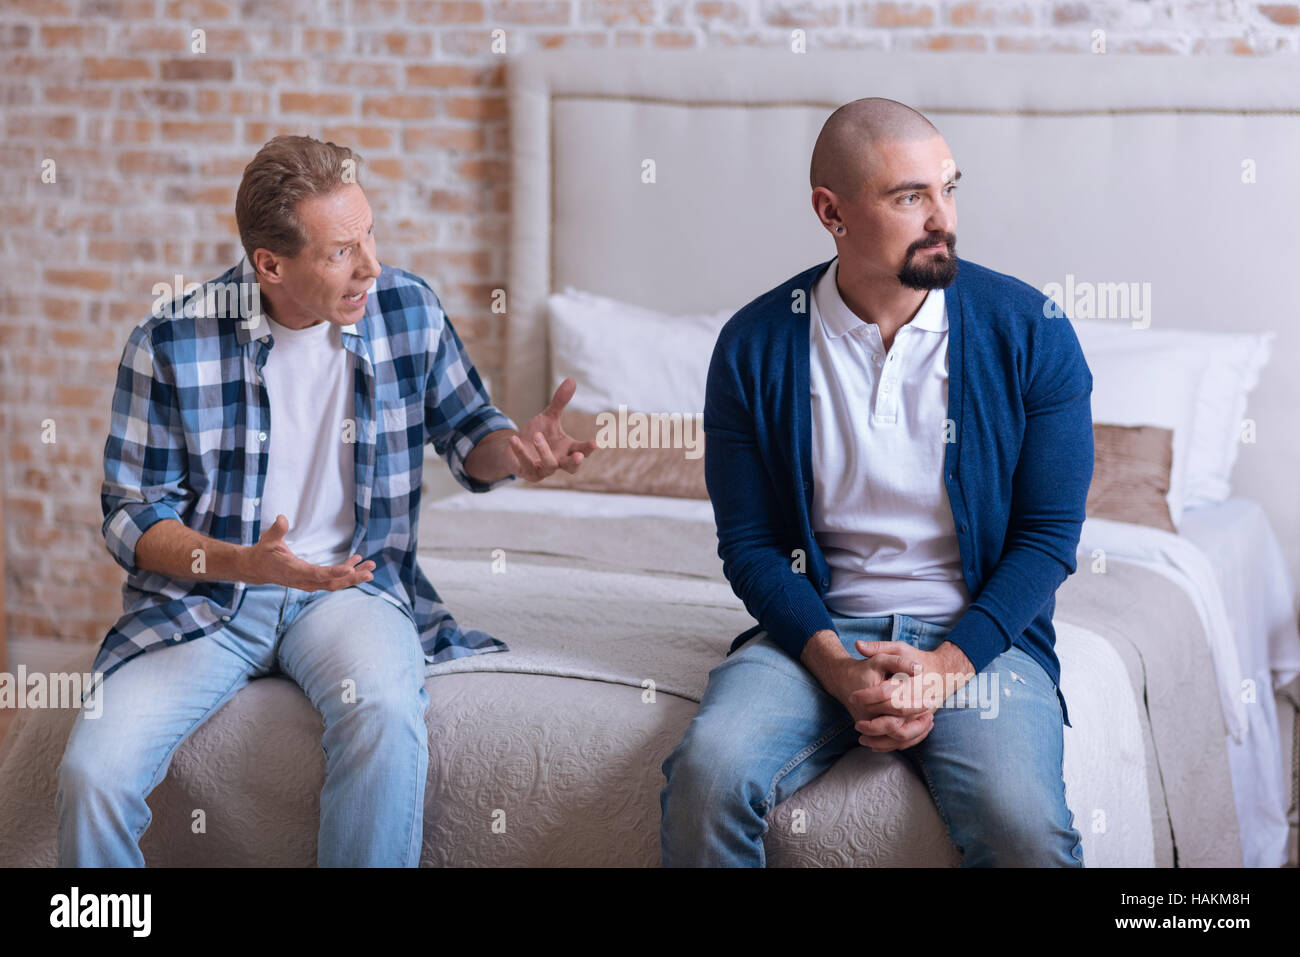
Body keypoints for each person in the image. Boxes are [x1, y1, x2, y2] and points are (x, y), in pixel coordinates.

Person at [57, 135, 595, 867]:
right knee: (91, 773)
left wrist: (519, 454)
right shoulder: (171, 340)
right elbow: (131, 515)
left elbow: (471, 435)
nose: (371, 264)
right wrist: (243, 561)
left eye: (369, 233)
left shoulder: (406, 309)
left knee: (382, 709)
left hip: (351, 586)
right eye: (342, 251)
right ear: (270, 264)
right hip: (209, 600)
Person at [659, 99, 1092, 867]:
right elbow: (753, 544)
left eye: (950, 189)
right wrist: (836, 662)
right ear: (832, 211)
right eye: (909, 196)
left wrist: (945, 670)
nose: (942, 218)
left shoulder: (1034, 329)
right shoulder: (754, 345)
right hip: (814, 636)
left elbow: (1048, 538)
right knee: (707, 774)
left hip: (985, 642)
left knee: (1024, 824)